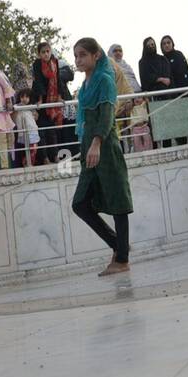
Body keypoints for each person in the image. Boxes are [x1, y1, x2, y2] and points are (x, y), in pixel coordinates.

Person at [71, 38, 134, 277]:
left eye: (82, 55)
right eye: (76, 55)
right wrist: (88, 144)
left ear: (96, 55)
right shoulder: (86, 85)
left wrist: (96, 143)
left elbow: (107, 115)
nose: (78, 60)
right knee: (80, 204)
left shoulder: (105, 80)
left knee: (118, 199)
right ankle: (119, 246)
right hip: (89, 145)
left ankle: (122, 259)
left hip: (105, 145)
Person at [31, 42, 70, 164]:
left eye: (48, 51)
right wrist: (40, 100)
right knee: (41, 131)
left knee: (52, 132)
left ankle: (54, 156)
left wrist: (59, 96)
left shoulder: (55, 62)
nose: (46, 54)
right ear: (39, 54)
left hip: (52, 102)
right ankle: (44, 158)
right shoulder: (37, 64)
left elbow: (57, 80)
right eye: (43, 52)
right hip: (41, 101)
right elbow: (38, 82)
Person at [13, 88, 40, 168]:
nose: (24, 99)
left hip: (33, 130)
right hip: (23, 131)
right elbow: (13, 117)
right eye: (22, 97)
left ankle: (30, 163)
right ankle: (26, 163)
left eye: (27, 97)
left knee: (34, 148)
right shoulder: (17, 107)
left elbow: (36, 117)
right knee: (27, 148)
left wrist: (35, 111)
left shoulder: (31, 107)